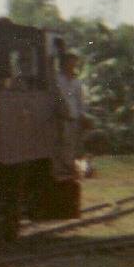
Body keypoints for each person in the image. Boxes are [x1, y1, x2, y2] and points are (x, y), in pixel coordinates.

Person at [55, 52, 88, 180]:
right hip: (60, 115)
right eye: (70, 62)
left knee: (71, 143)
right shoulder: (57, 78)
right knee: (61, 142)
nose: (72, 65)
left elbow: (80, 100)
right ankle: (61, 166)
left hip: (73, 115)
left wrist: (82, 115)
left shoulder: (77, 82)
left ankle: (69, 165)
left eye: (74, 63)